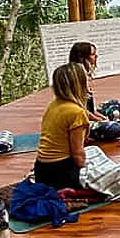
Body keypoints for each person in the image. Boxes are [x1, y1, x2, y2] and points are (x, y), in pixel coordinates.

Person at [33, 62, 91, 190]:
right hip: (61, 173)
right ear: (79, 84)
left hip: (41, 170)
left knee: (93, 151)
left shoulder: (53, 105)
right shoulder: (76, 112)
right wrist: (88, 173)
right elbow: (77, 154)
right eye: (87, 78)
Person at [68, 41, 120, 141]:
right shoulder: (75, 79)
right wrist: (100, 120)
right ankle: (117, 127)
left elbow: (90, 109)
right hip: (80, 122)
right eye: (93, 54)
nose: (96, 56)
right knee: (114, 130)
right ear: (83, 58)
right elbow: (81, 112)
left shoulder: (85, 75)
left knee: (113, 104)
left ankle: (116, 125)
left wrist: (102, 118)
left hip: (88, 114)